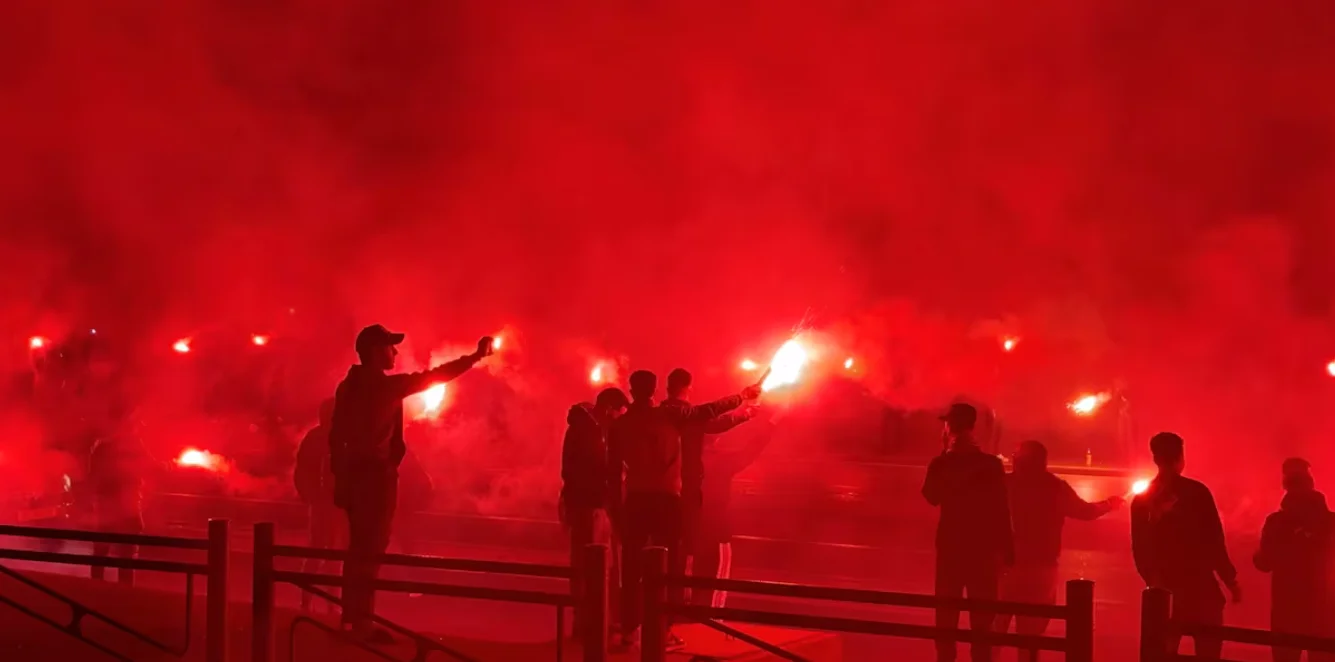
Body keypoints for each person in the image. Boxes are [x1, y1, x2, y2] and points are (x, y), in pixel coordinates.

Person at [329, 324, 494, 643]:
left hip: (355, 476)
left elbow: (336, 437)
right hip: (374, 478)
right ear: (374, 352)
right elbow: (433, 377)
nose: (395, 352)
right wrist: (474, 357)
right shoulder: (381, 387)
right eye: (389, 347)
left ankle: (351, 619)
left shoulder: (348, 386)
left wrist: (340, 478)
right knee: (370, 550)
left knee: (358, 550)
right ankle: (361, 624)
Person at [608, 370, 761, 650]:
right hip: (666, 500)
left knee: (631, 568)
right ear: (654, 390)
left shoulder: (620, 425)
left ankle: (630, 630)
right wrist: (741, 397)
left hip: (636, 500)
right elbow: (707, 412)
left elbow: (613, 472)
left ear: (631, 390)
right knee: (669, 567)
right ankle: (663, 630)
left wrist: (617, 511)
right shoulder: (668, 416)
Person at [994, 440, 1123, 661]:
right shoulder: (1054, 487)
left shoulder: (1004, 485)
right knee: (1031, 634)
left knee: (995, 630)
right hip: (1041, 568)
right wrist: (1109, 504)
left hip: (1005, 567)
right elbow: (1085, 511)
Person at [1132, 432, 1241, 660]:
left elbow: (1140, 549)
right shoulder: (1197, 493)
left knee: (1163, 651)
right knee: (1208, 648)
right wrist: (1230, 580)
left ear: (1155, 458)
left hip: (1164, 590)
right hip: (1200, 587)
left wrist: (1153, 581)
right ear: (1180, 458)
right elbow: (1214, 541)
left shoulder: (1142, 500)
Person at [922, 402, 1013, 662]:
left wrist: (943, 453)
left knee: (946, 619)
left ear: (949, 427)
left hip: (951, 549)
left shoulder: (943, 463)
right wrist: (1007, 551)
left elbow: (931, 495)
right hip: (983, 551)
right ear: (973, 427)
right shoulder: (990, 464)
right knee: (983, 621)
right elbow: (1001, 509)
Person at [661, 368, 758, 583]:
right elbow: (712, 417)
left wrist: (743, 412)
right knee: (686, 542)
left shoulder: (659, 414)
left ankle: (666, 590)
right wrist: (742, 402)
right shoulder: (687, 415)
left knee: (665, 544)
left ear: (667, 387)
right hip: (685, 487)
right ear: (688, 387)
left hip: (662, 489)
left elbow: (713, 421)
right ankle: (681, 591)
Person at [560, 386, 630, 640]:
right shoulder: (590, 432)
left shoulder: (584, 427)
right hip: (591, 506)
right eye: (619, 415)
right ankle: (591, 623)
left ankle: (588, 621)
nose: (619, 422)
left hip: (585, 504)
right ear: (609, 409)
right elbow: (595, 470)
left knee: (587, 564)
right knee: (594, 564)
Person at [1253, 458, 1335, 662]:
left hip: (1287, 609)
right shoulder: (1330, 522)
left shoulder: (1276, 522)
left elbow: (1264, 562)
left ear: (1285, 485)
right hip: (1323, 609)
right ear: (1311, 482)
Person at [690, 418, 772, 609]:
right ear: (715, 438)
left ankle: (688, 613)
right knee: (717, 576)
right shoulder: (720, 461)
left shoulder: (687, 460)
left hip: (693, 525)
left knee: (694, 574)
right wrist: (770, 425)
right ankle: (711, 617)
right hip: (717, 527)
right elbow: (748, 453)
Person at [86, 410, 151, 586]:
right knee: (125, 557)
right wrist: (167, 467)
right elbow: (150, 467)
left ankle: (95, 589)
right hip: (126, 510)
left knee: (101, 554)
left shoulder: (101, 448)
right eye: (135, 425)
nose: (138, 429)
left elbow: (92, 478)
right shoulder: (133, 447)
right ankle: (124, 593)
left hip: (107, 510)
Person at [294, 398, 344, 611]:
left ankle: (312, 602)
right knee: (329, 555)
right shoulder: (336, 438)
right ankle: (325, 604)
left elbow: (301, 472)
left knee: (323, 554)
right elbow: (303, 471)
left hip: (329, 505)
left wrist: (310, 497)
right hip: (330, 505)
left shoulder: (316, 438)